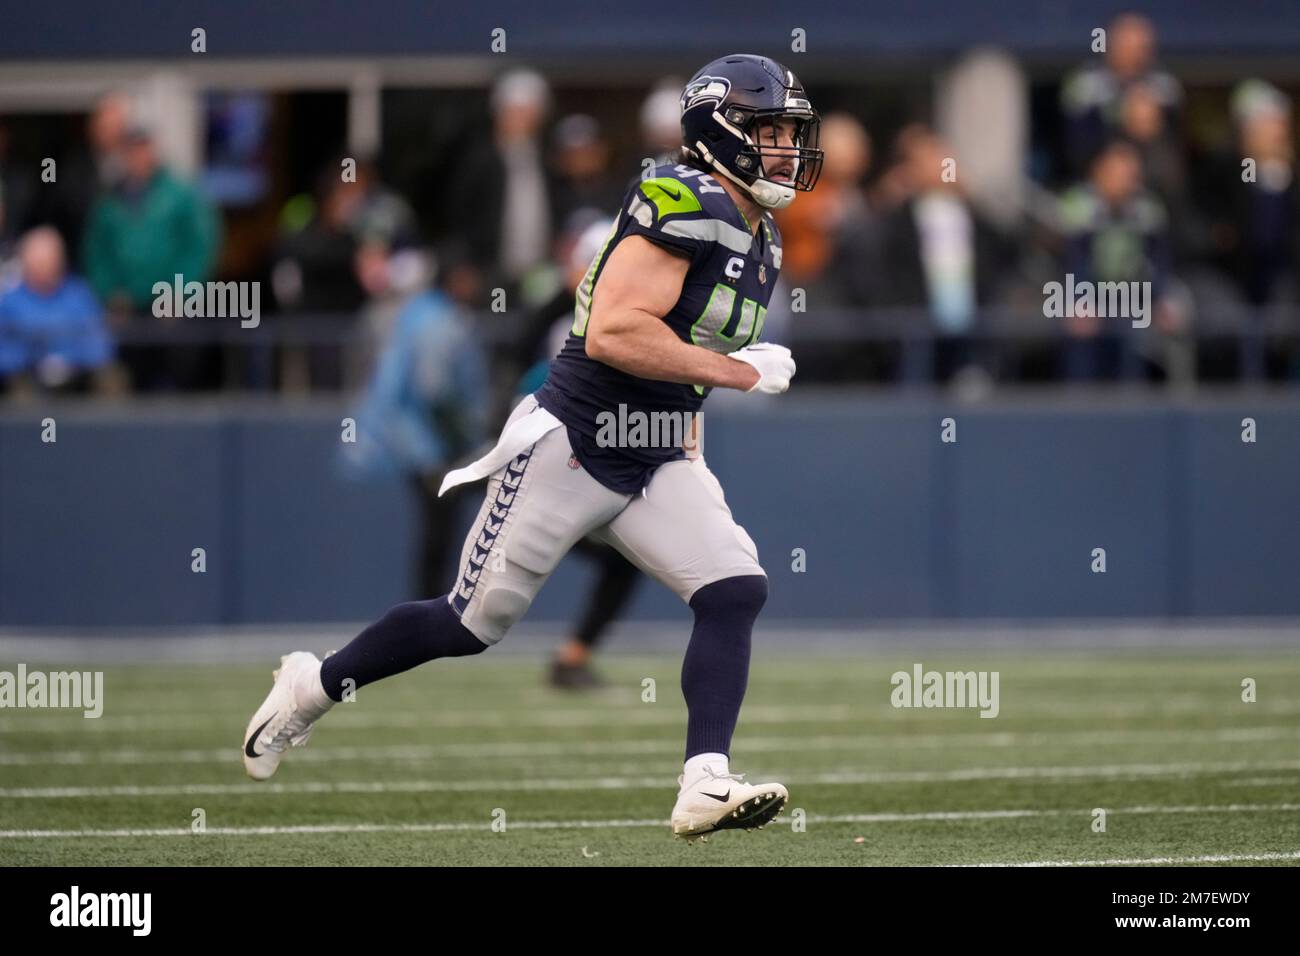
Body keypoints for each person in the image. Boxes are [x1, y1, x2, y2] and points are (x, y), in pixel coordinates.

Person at [241, 54, 824, 841]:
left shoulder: (761, 231)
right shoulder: (683, 197)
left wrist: (692, 416)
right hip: (574, 444)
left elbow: (676, 352)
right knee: (468, 625)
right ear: (719, 130)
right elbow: (617, 333)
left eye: (791, 132)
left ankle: (705, 781)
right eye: (772, 130)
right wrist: (735, 372)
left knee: (734, 589)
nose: (787, 148)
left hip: (656, 452)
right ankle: (314, 686)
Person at [0, 226, 111, 393]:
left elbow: (99, 344)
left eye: (50, 261)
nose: (45, 268)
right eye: (39, 263)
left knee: (110, 379)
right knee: (18, 391)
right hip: (27, 377)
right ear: (25, 263)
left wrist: (69, 361)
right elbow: (4, 351)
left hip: (78, 376)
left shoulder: (79, 295)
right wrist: (33, 359)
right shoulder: (10, 301)